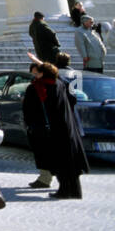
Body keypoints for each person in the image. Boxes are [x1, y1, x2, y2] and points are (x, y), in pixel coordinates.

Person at [24, 61, 89, 199]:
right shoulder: (59, 83)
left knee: (60, 162)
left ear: (42, 73)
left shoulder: (39, 87)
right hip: (68, 127)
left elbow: (30, 109)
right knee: (70, 162)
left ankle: (64, 191)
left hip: (54, 129)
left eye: (37, 72)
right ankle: (75, 191)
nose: (35, 75)